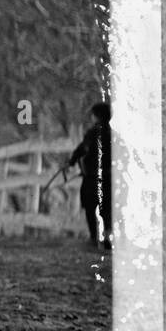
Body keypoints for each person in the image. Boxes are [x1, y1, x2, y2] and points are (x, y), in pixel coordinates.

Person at [66, 101, 112, 251]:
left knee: (90, 206)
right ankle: (106, 237)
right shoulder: (112, 133)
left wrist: (73, 161)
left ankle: (94, 237)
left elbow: (83, 149)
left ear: (97, 116)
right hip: (108, 177)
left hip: (92, 176)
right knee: (106, 209)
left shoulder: (93, 133)